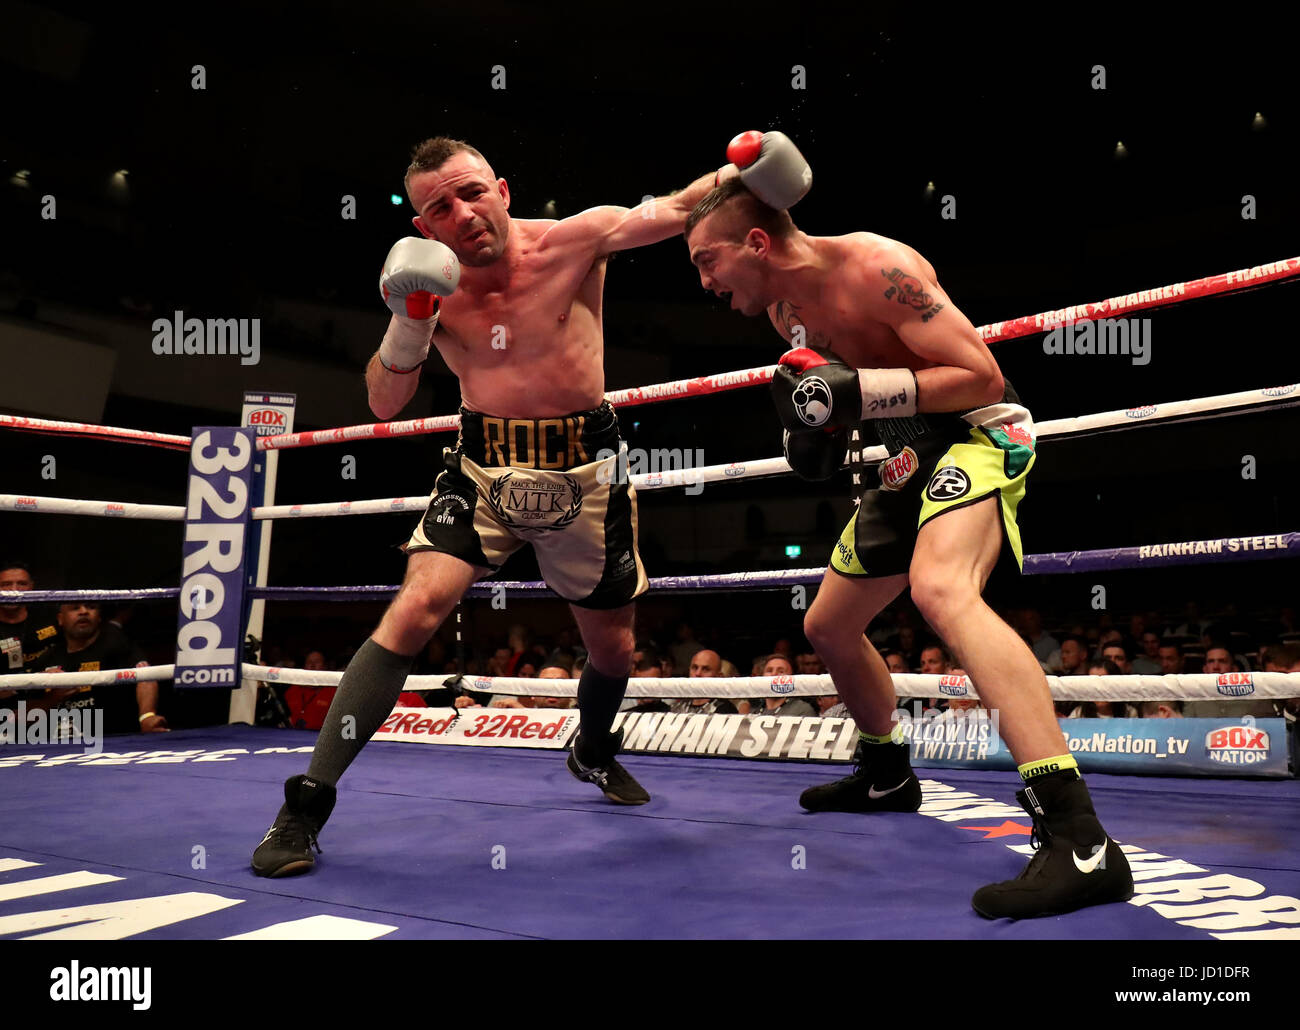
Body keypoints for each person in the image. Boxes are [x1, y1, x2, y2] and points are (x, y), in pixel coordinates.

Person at [252, 136, 723, 878]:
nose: (463, 213)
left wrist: (742, 165)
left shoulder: (577, 240)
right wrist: (410, 321)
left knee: (614, 650)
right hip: (483, 467)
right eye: (439, 207)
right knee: (414, 611)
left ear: (502, 189)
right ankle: (305, 806)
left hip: (585, 468)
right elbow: (382, 402)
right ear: (424, 228)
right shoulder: (427, 283)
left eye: (472, 192)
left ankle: (592, 751)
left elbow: (678, 208)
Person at [683, 151, 1132, 918]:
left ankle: (1080, 839)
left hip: (976, 431)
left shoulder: (876, 267)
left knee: (940, 589)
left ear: (756, 244)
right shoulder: (781, 313)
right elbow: (831, 403)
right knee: (827, 624)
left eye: (707, 260)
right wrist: (815, 433)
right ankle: (887, 772)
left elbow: (981, 376)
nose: (703, 282)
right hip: (901, 449)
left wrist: (858, 394)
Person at [41, 602, 167, 734]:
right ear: (60, 619)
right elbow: (23, 716)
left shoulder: (117, 644)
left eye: (91, 607)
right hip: (59, 742)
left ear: (99, 617)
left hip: (114, 739)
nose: (84, 611)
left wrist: (146, 717)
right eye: (75, 608)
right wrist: (51, 699)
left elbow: (146, 676)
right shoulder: (48, 658)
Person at [0, 562, 59, 707]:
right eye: (6, 584)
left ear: (31, 587)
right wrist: (32, 682)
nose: (14, 590)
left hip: (48, 699)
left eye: (21, 583)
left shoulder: (49, 616)